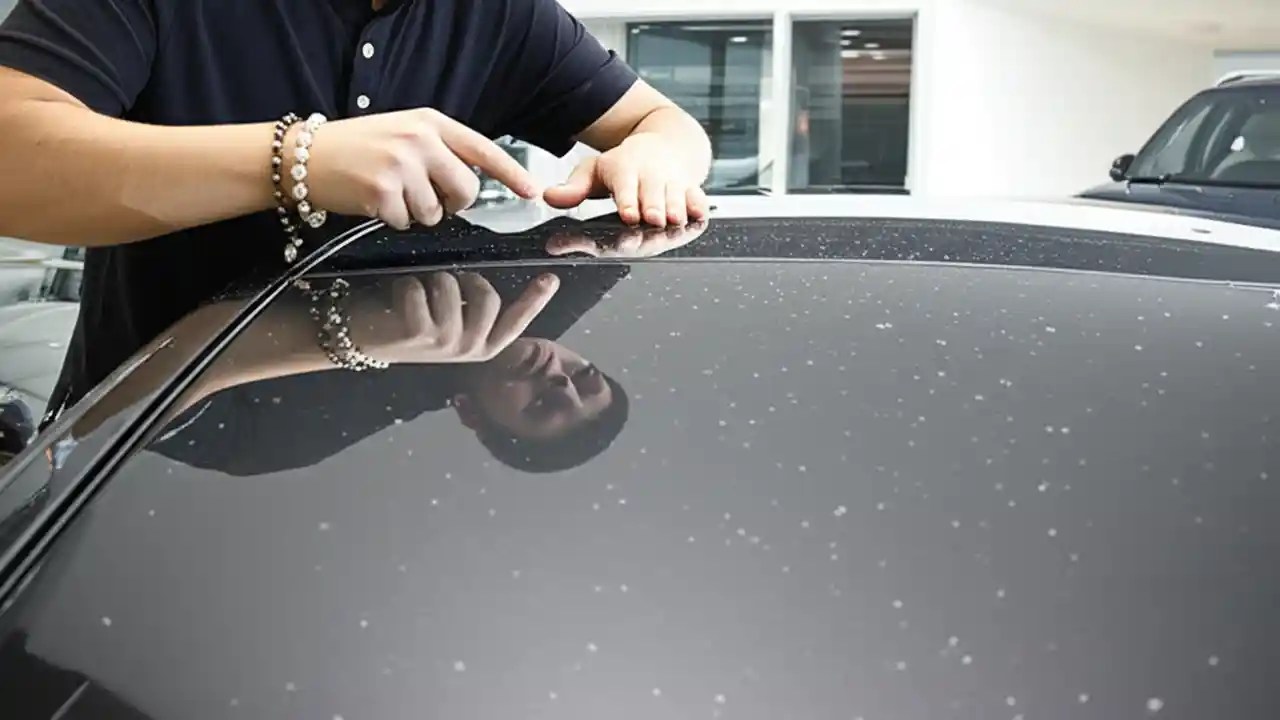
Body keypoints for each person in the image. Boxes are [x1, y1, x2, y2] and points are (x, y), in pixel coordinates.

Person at [0, 0, 713, 413]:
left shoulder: (499, 16)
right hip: (128, 443)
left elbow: (664, 124)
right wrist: (298, 160)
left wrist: (659, 157)